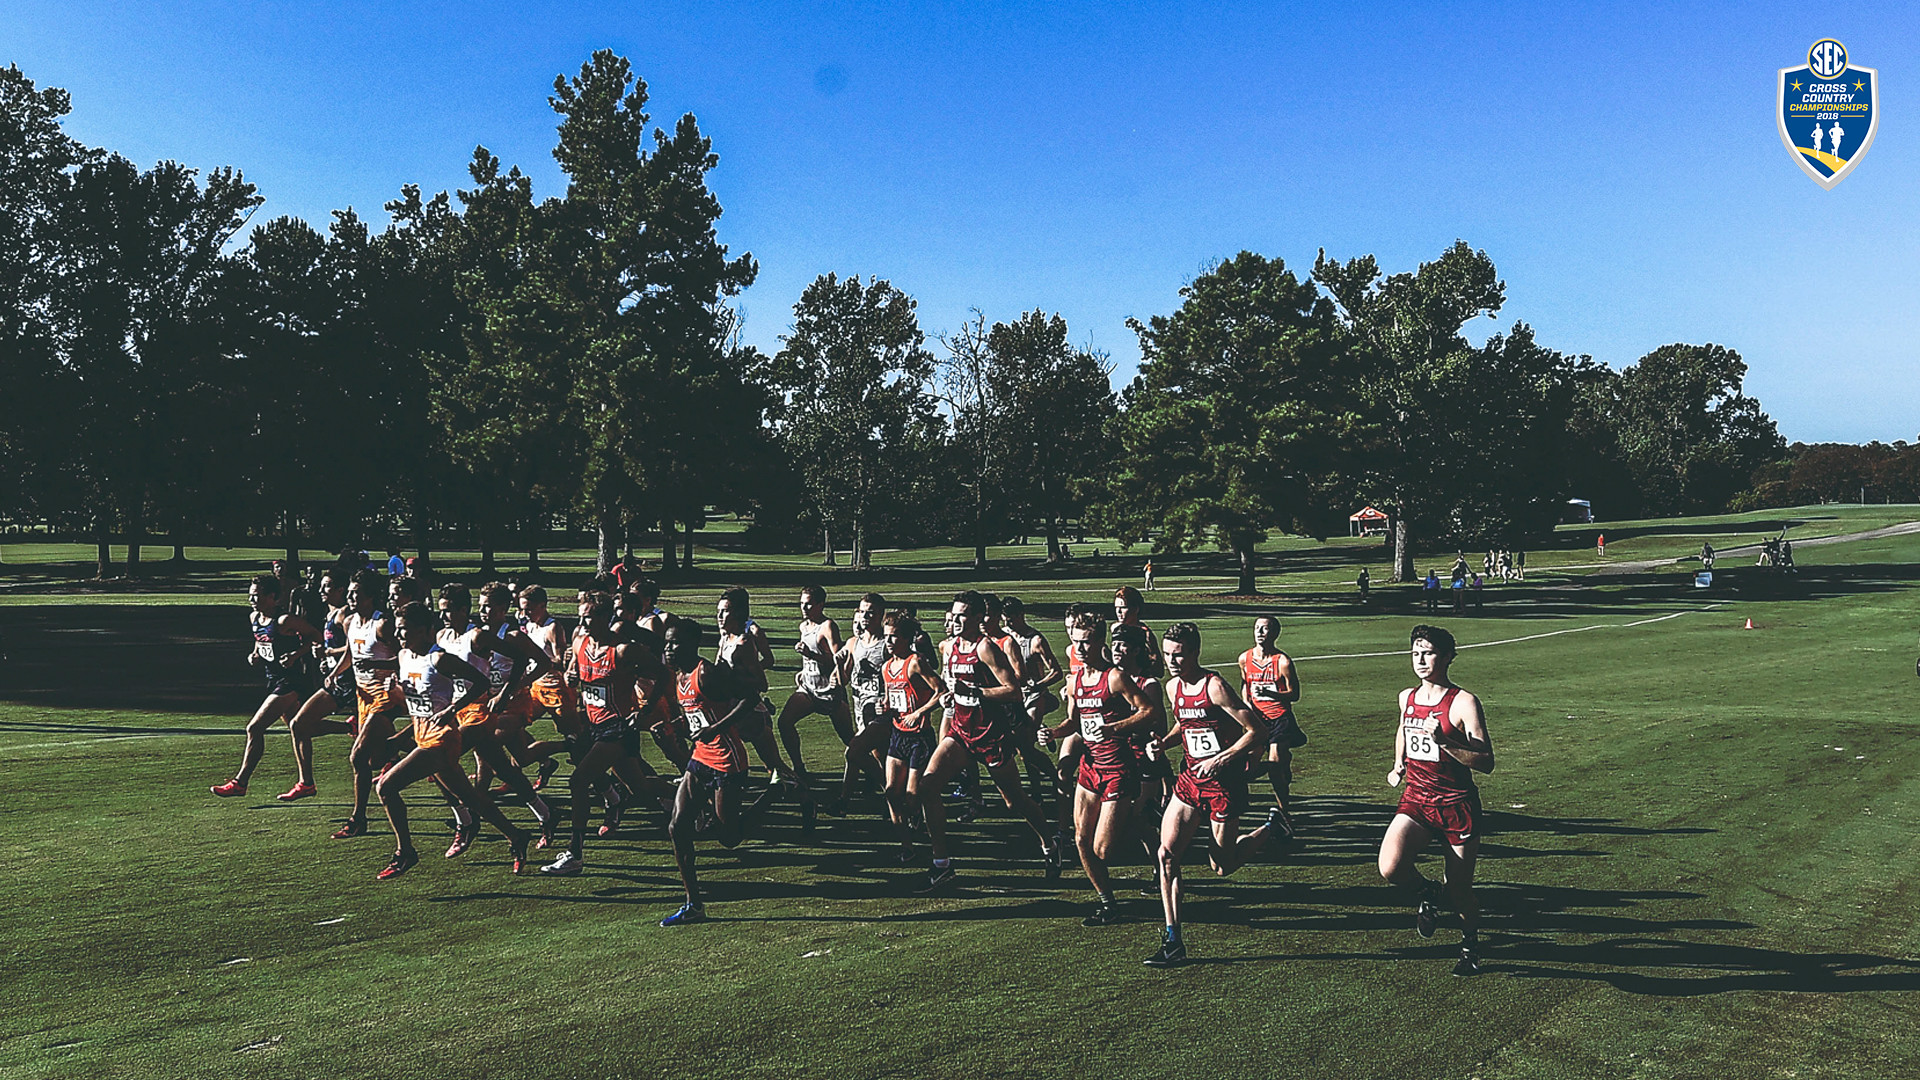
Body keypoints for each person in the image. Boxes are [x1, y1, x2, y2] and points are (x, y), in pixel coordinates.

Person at [1143, 622, 1287, 967]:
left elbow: (1258, 731)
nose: (1172, 662)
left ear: (1194, 653)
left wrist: (1220, 760)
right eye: (1166, 655)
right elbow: (1186, 723)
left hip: (1224, 784)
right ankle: (1173, 939)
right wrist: (1163, 743)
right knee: (1166, 856)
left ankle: (1272, 829)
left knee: (1222, 865)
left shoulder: (1216, 686)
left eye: (1178, 655)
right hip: (1191, 781)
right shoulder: (1173, 686)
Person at [375, 601, 532, 880]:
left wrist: (452, 709)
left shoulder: (440, 659)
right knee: (472, 798)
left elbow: (482, 683)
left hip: (442, 739)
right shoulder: (403, 657)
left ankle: (405, 852)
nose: (399, 636)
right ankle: (517, 835)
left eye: (404, 630)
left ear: (424, 631)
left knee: (387, 788)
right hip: (422, 734)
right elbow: (415, 705)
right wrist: (397, 692)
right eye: (398, 631)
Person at [917, 590, 1062, 891]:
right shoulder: (950, 647)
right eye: (953, 614)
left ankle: (1049, 843)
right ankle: (941, 864)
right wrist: (948, 695)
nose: (955, 619)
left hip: (990, 736)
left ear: (977, 618)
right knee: (928, 787)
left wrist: (977, 693)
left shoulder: (986, 649)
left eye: (962, 615)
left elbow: (1013, 690)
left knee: (1014, 801)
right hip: (960, 731)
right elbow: (953, 687)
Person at [1378, 624, 1495, 977]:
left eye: (1428, 653)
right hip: (1416, 797)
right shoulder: (1407, 697)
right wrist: (1398, 763)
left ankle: (1470, 944)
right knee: (1390, 867)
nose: (1420, 660)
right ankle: (1428, 891)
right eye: (1415, 653)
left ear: (1446, 657)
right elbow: (1403, 728)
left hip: (1456, 804)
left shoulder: (1463, 702)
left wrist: (1445, 741)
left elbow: (1486, 761)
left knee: (1460, 892)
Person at [540, 591, 675, 876]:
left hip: (618, 728)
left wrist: (646, 709)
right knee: (639, 787)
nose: (581, 622)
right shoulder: (580, 642)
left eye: (587, 617)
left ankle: (575, 853)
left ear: (604, 618)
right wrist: (569, 677)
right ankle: (689, 798)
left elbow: (663, 673)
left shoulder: (624, 650)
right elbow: (572, 674)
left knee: (578, 781)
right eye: (580, 616)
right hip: (594, 726)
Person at [1049, 611, 1159, 927]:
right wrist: (1054, 732)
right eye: (1075, 643)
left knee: (1104, 849)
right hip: (1090, 766)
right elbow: (1074, 720)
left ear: (1099, 642)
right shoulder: (1075, 680)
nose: (1079, 649)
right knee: (1081, 840)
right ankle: (1108, 903)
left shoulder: (1115, 678)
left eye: (1085, 642)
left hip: (1118, 768)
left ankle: (1142, 820)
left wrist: (1114, 728)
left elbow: (1149, 711)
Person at [659, 620, 757, 927]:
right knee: (677, 827)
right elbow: (695, 714)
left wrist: (715, 728)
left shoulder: (708, 673)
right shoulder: (680, 675)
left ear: (690, 645)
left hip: (727, 761)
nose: (668, 649)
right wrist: (678, 726)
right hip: (700, 759)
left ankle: (777, 792)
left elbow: (750, 698)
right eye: (666, 643)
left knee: (729, 838)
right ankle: (694, 904)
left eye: (674, 643)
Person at [212, 574, 323, 798]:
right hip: (272, 677)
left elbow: (316, 635)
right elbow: (260, 640)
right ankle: (308, 781)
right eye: (250, 595)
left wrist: (296, 654)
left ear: (272, 597)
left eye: (257, 595)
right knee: (299, 727)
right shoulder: (254, 617)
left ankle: (240, 782)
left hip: (290, 681)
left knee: (254, 728)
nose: (252, 599)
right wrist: (254, 654)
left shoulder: (285, 621)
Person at [276, 568, 358, 801]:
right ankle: (306, 783)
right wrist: (327, 662)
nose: (321, 590)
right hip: (336, 682)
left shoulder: (345, 617)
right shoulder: (330, 614)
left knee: (378, 744)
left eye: (328, 586)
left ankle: (431, 760)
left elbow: (355, 650)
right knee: (298, 724)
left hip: (353, 683)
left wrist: (330, 653)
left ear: (341, 590)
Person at [879, 611, 944, 864]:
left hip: (919, 737)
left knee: (912, 796)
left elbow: (940, 691)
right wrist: (884, 706)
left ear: (906, 638)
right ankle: (906, 846)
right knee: (891, 792)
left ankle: (918, 818)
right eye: (886, 638)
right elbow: (890, 698)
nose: (889, 643)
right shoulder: (886, 667)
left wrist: (919, 713)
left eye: (894, 637)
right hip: (898, 735)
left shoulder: (916, 662)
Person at [775, 585, 852, 786]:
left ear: (820, 604)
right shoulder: (803, 627)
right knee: (784, 722)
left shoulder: (827, 626)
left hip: (830, 691)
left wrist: (811, 655)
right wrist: (803, 670)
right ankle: (799, 768)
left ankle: (873, 772)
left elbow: (838, 660)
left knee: (849, 739)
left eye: (808, 604)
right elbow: (809, 660)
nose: (804, 608)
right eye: (802, 604)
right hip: (809, 689)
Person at [1239, 615, 1304, 834]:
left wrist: (1269, 692)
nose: (1259, 632)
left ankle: (1285, 813)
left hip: (1279, 718)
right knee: (1249, 768)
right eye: (1256, 628)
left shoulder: (1282, 661)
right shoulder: (1244, 658)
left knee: (1275, 766)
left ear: (1274, 634)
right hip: (1256, 720)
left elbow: (1294, 694)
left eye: (1264, 629)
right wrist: (1246, 705)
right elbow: (1244, 684)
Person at [830, 593, 892, 815]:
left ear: (880, 616)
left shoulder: (886, 644)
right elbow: (843, 680)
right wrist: (838, 665)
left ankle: (847, 799)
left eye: (871, 612)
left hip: (880, 712)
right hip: (860, 710)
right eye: (863, 611)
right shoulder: (853, 643)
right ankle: (895, 802)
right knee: (880, 757)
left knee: (854, 752)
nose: (865, 616)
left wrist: (887, 700)